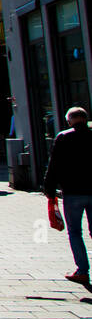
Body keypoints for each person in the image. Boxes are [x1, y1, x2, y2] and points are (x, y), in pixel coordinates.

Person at [43, 107, 92, 286]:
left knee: (75, 232)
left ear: (69, 120)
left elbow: (53, 165)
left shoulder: (63, 137)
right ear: (85, 119)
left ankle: (82, 271)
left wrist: (49, 189)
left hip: (73, 192)